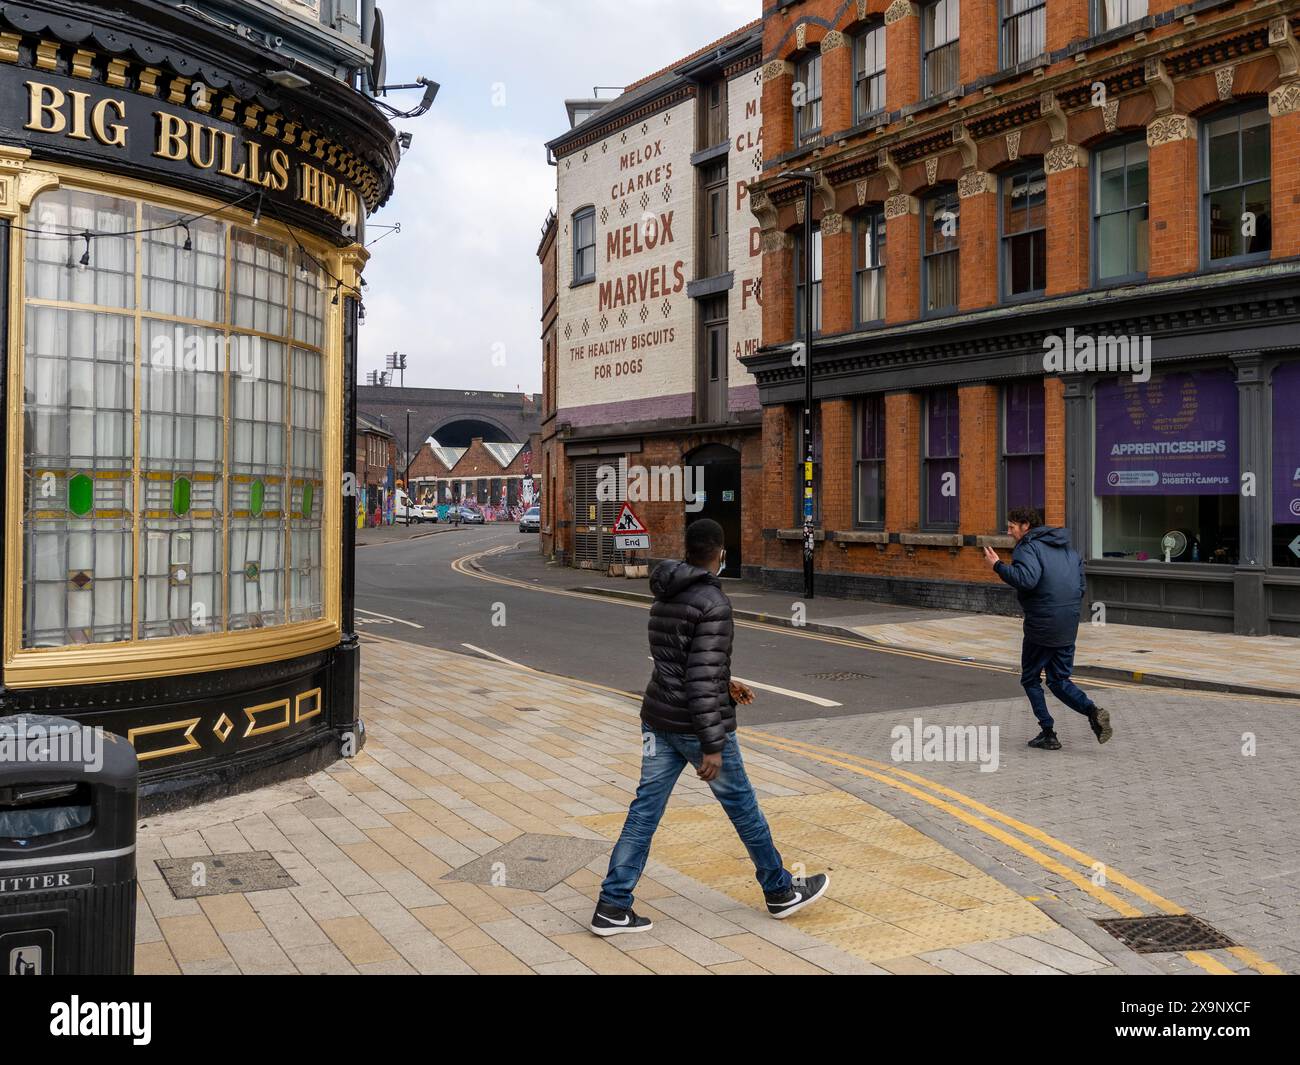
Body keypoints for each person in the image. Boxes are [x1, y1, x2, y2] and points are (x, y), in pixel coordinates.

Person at [590, 518, 829, 936]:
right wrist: (712, 745)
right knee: (744, 808)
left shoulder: (666, 594)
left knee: (644, 812)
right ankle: (779, 891)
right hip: (694, 726)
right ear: (719, 553)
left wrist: (726, 682)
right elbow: (698, 680)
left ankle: (613, 905)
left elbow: (682, 664)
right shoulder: (713, 603)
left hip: (657, 718)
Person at [983, 507, 1113, 751]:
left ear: (1025, 526)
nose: (1009, 532)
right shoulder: (1066, 549)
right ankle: (1093, 712)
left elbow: (1026, 579)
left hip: (1042, 625)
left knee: (1031, 678)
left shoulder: (1028, 547)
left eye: (1012, 527)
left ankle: (1048, 732)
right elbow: (1081, 585)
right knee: (1058, 679)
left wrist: (998, 565)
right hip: (1067, 623)